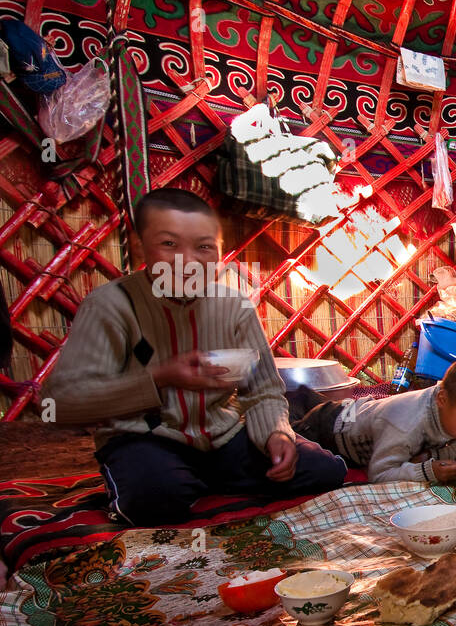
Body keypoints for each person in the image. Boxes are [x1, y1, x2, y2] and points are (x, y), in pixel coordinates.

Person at [43, 188, 347, 525]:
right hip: (144, 437)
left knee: (321, 469)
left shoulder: (235, 308)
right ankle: (177, 479)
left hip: (223, 437)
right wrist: (159, 377)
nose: (188, 261)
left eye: (204, 247)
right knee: (154, 497)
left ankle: (201, 479)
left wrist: (276, 434)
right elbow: (61, 402)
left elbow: (263, 391)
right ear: (139, 244)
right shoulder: (111, 306)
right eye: (169, 244)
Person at [288, 355, 456, 484]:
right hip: (328, 427)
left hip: (363, 412)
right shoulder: (404, 425)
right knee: (288, 431)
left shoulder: (455, 409)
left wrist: (430, 455)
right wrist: (427, 470)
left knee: (310, 401)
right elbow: (379, 473)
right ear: (442, 398)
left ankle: (303, 399)